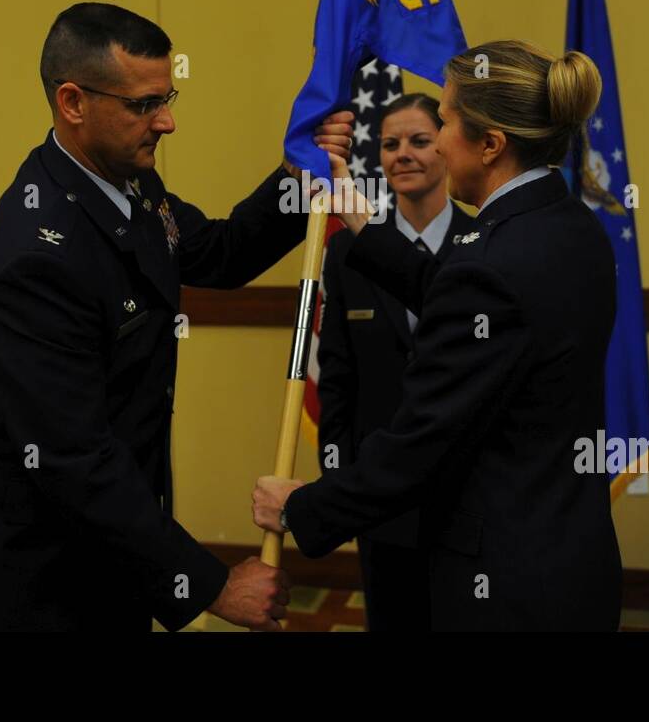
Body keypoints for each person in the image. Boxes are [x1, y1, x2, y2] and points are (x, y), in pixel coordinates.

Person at [0, 2, 351, 632]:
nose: (166, 122)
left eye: (167, 98)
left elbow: (218, 252)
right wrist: (213, 585)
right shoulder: (33, 260)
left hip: (113, 554)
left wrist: (297, 175)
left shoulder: (127, 184)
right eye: (143, 105)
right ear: (73, 102)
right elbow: (75, 462)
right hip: (42, 583)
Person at [254, 40, 623, 631]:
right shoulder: (569, 226)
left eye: (445, 123)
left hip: (502, 584)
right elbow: (472, 305)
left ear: (491, 144)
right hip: (568, 556)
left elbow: (421, 442)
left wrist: (301, 507)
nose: (441, 143)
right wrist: (364, 222)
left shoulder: (492, 263)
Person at [317, 93, 476, 631]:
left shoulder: (481, 245)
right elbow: (337, 378)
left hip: (466, 492)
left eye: (419, 140)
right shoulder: (348, 251)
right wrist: (338, 480)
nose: (402, 154)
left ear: (447, 148)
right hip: (379, 491)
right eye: (389, 144)